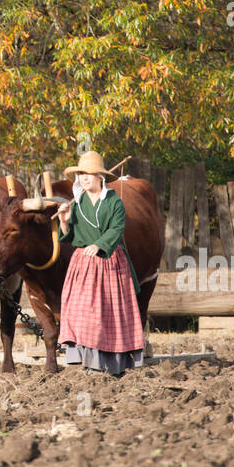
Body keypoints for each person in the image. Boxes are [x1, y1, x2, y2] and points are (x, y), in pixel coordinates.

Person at [57, 151, 145, 376]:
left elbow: (116, 229)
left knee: (107, 313)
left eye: (89, 174)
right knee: (79, 310)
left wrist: (99, 245)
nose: (84, 179)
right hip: (83, 263)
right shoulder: (77, 204)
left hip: (108, 261)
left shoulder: (114, 202)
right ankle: (84, 358)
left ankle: (111, 363)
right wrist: (64, 222)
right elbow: (71, 236)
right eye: (81, 175)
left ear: (100, 177)